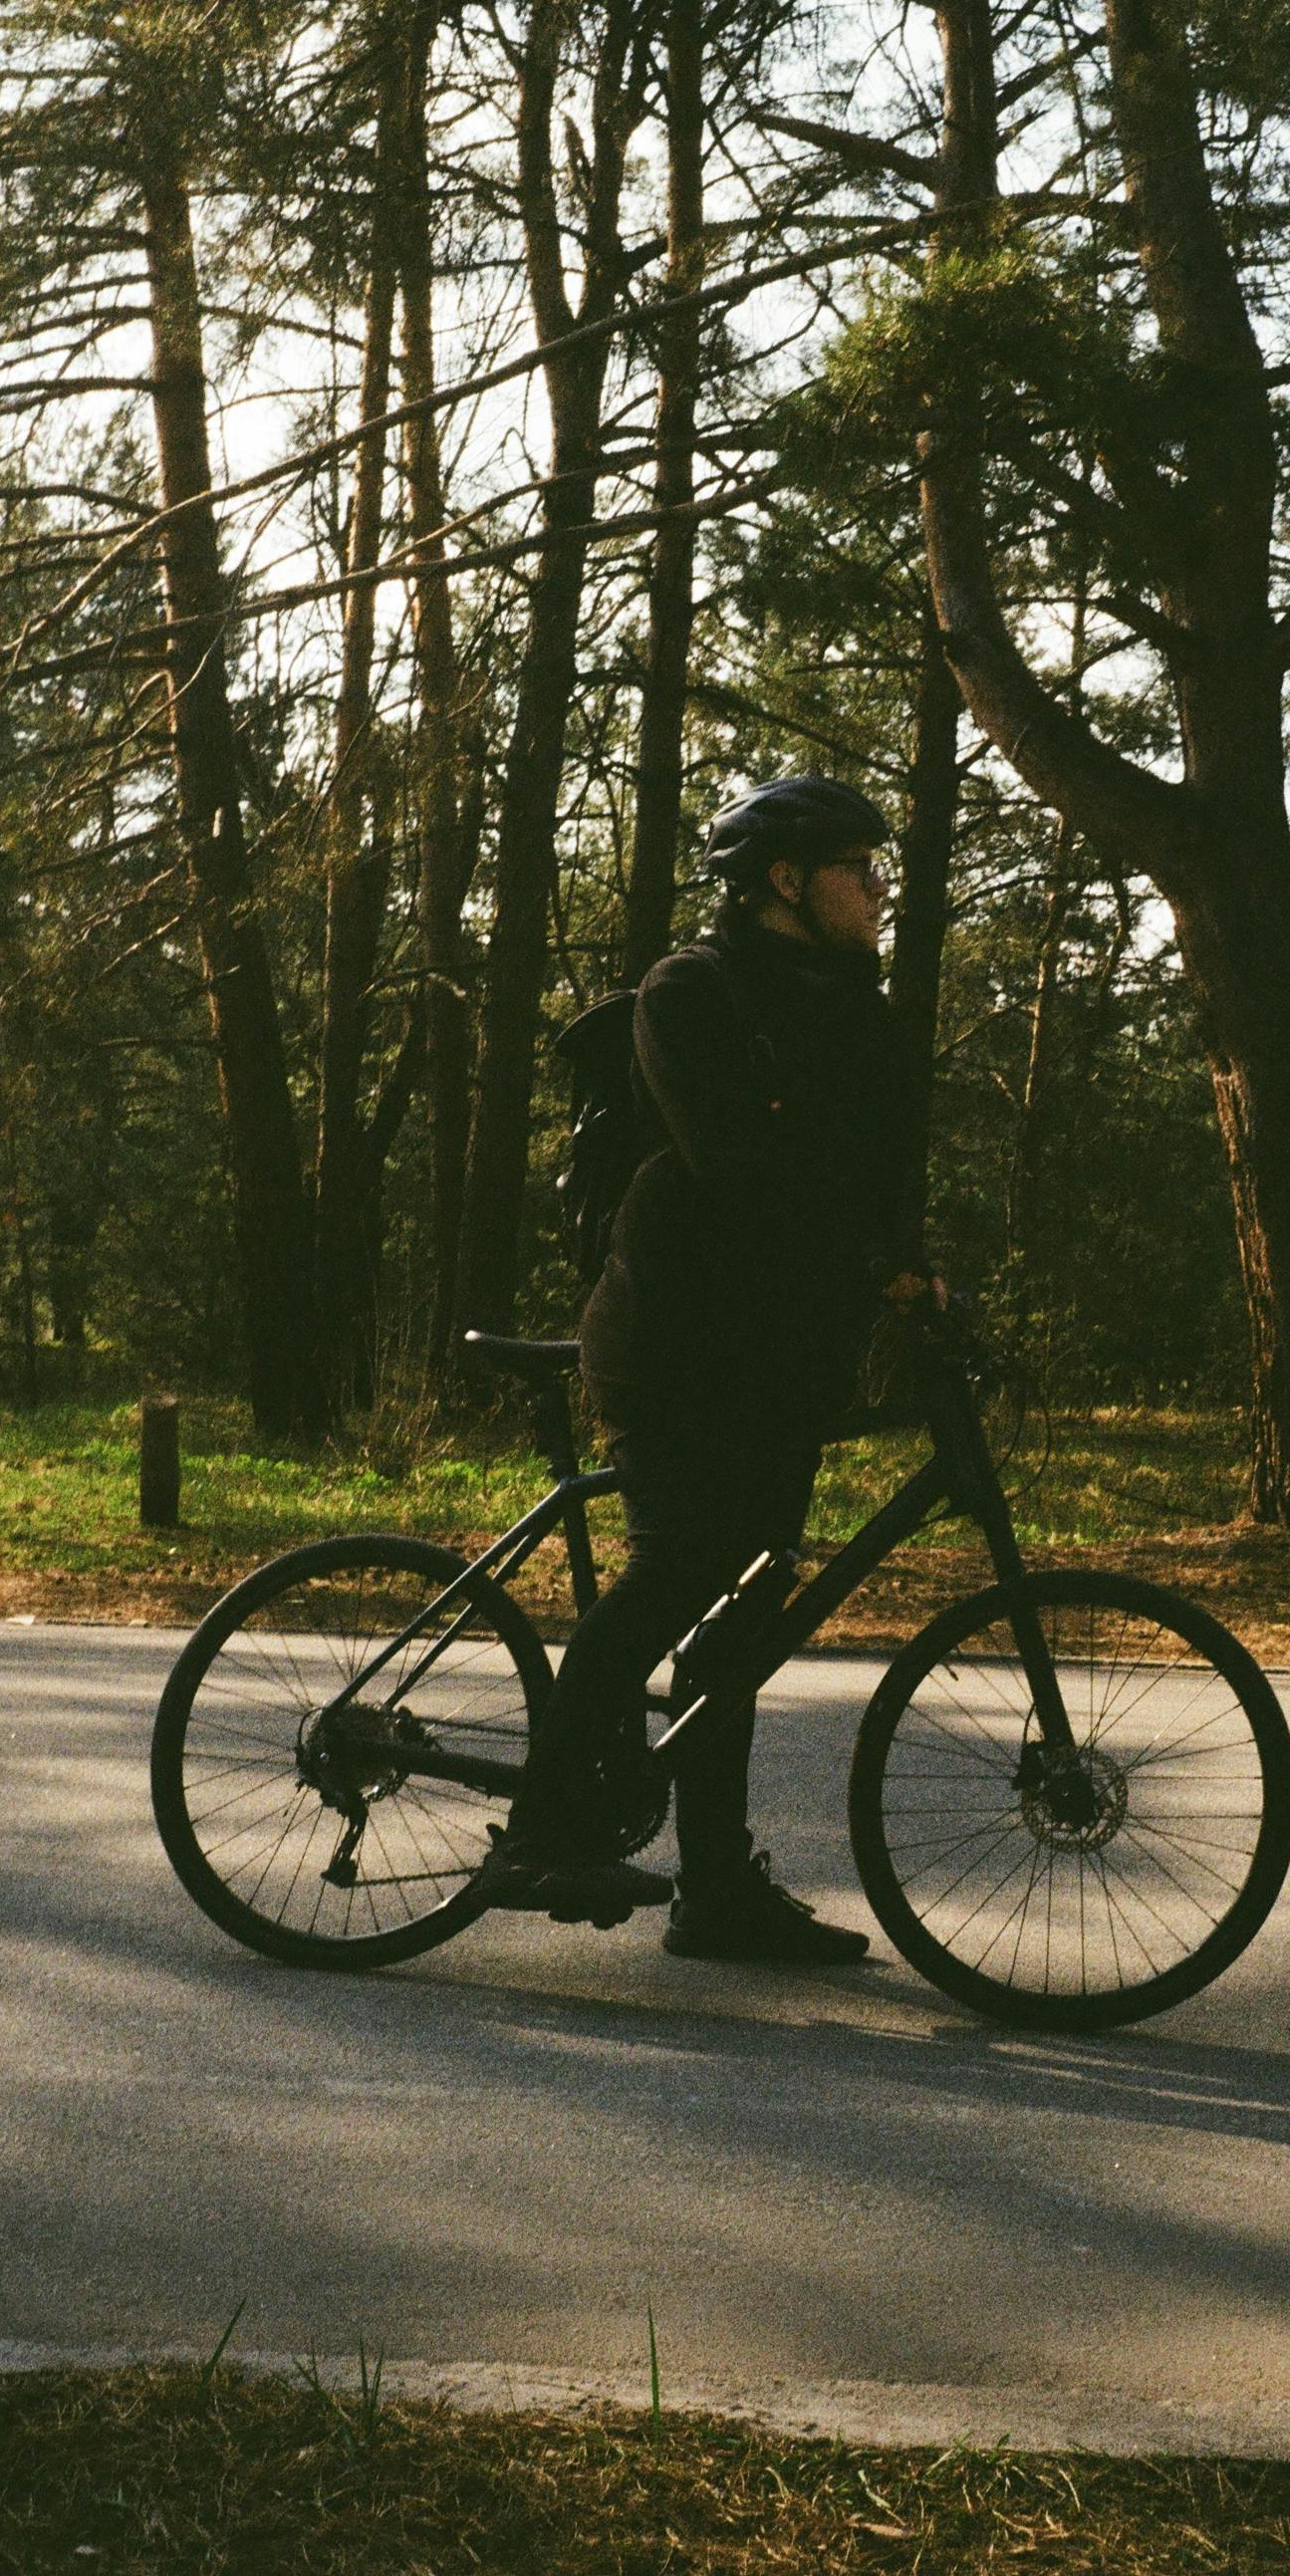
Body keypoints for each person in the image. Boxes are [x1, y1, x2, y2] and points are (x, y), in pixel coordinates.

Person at [473, 774, 922, 1965]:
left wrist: (914, 1277)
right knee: (676, 1573)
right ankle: (537, 1830)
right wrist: (860, 1258)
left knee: (742, 1627)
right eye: (857, 867)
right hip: (671, 1347)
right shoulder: (691, 992)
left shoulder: (860, 1012)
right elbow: (740, 1167)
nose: (880, 889)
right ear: (786, 880)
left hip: (780, 1363)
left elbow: (874, 1182)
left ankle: (715, 1889)